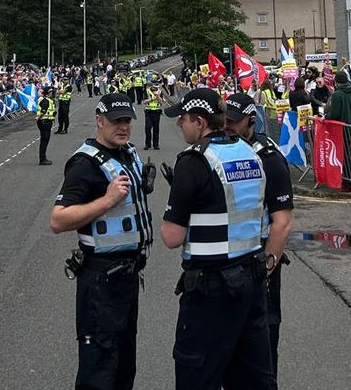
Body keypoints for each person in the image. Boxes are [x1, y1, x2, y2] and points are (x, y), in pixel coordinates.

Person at [160, 89, 275, 390]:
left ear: (199, 122)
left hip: (211, 288)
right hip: (251, 281)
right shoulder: (250, 152)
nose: (178, 125)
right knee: (252, 377)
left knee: (197, 375)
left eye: (182, 119)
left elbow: (171, 237)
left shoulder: (194, 160)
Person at [50, 93, 153, 390]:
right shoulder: (85, 163)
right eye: (115, 121)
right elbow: (58, 220)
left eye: (126, 121)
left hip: (128, 276)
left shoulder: (127, 152)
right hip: (101, 279)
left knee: (123, 365)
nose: (122, 127)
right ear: (99, 121)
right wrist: (106, 201)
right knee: (99, 367)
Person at [223, 93, 294, 375]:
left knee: (262, 341)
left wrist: (266, 267)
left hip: (261, 260)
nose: (227, 125)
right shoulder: (227, 149)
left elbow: (282, 223)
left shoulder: (268, 157)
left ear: (251, 120)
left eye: (233, 121)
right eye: (224, 119)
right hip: (233, 261)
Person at [37, 86, 57, 165]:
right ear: (47, 93)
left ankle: (43, 158)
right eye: (51, 92)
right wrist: (39, 118)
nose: (52, 93)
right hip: (45, 122)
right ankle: (42, 159)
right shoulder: (46, 100)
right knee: (44, 141)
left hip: (44, 122)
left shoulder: (44, 99)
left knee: (44, 140)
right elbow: (43, 111)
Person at [143, 84, 163, 151]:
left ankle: (156, 145)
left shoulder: (160, 92)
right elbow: (144, 102)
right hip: (149, 111)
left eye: (157, 86)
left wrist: (157, 96)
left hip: (157, 112)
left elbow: (161, 102)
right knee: (147, 128)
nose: (155, 88)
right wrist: (152, 99)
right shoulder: (147, 91)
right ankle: (147, 144)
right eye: (154, 86)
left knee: (156, 129)